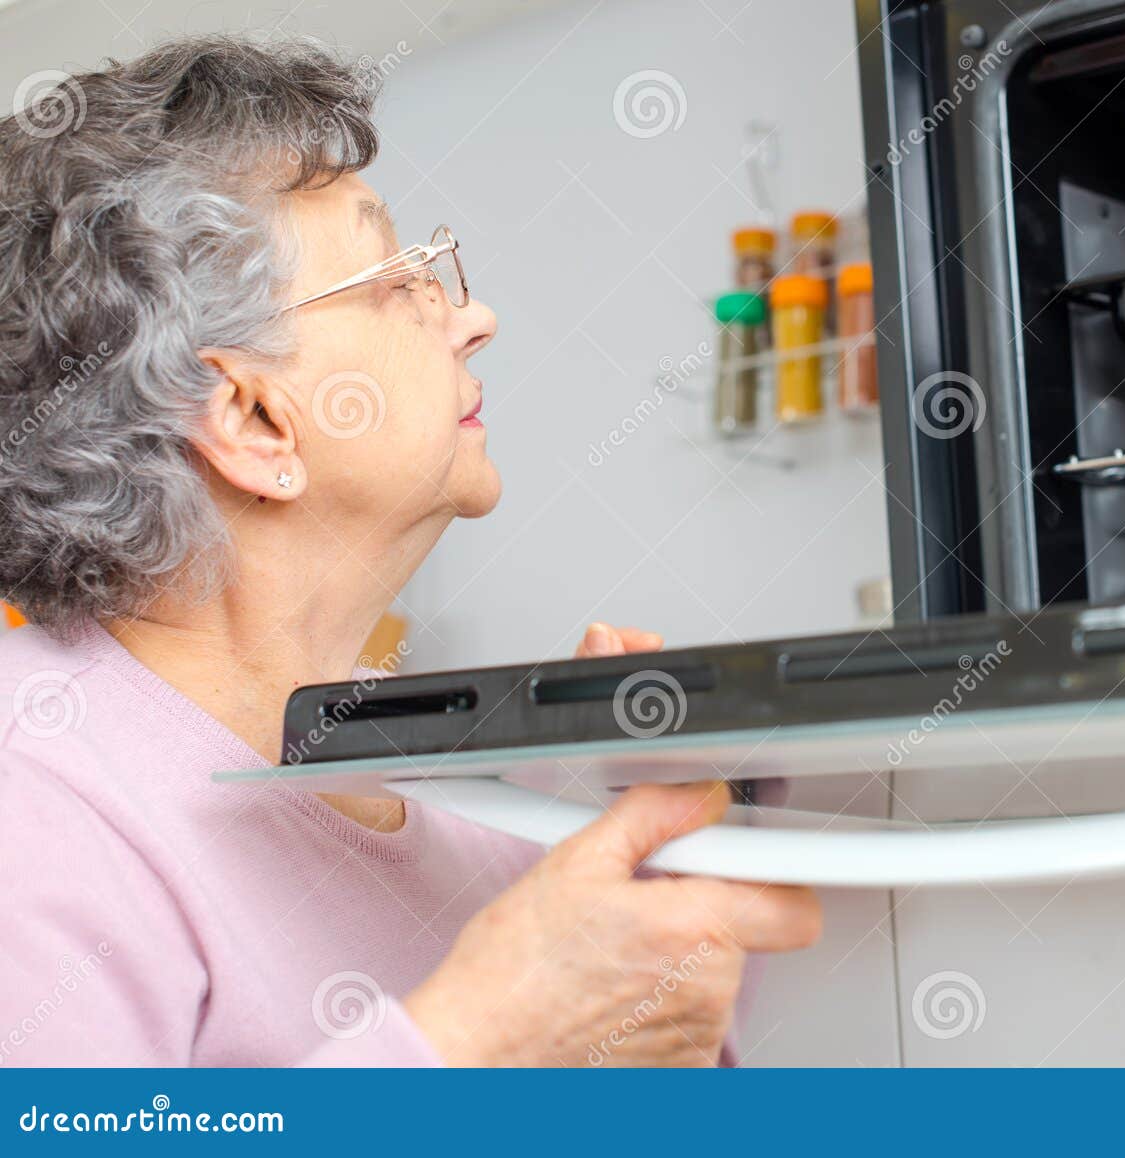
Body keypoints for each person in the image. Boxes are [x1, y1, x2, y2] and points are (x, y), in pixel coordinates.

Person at [0, 35, 820, 1066]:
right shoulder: (32, 795)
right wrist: (477, 1040)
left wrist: (678, 841)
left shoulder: (442, 777)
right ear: (255, 420)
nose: (474, 318)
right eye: (401, 279)